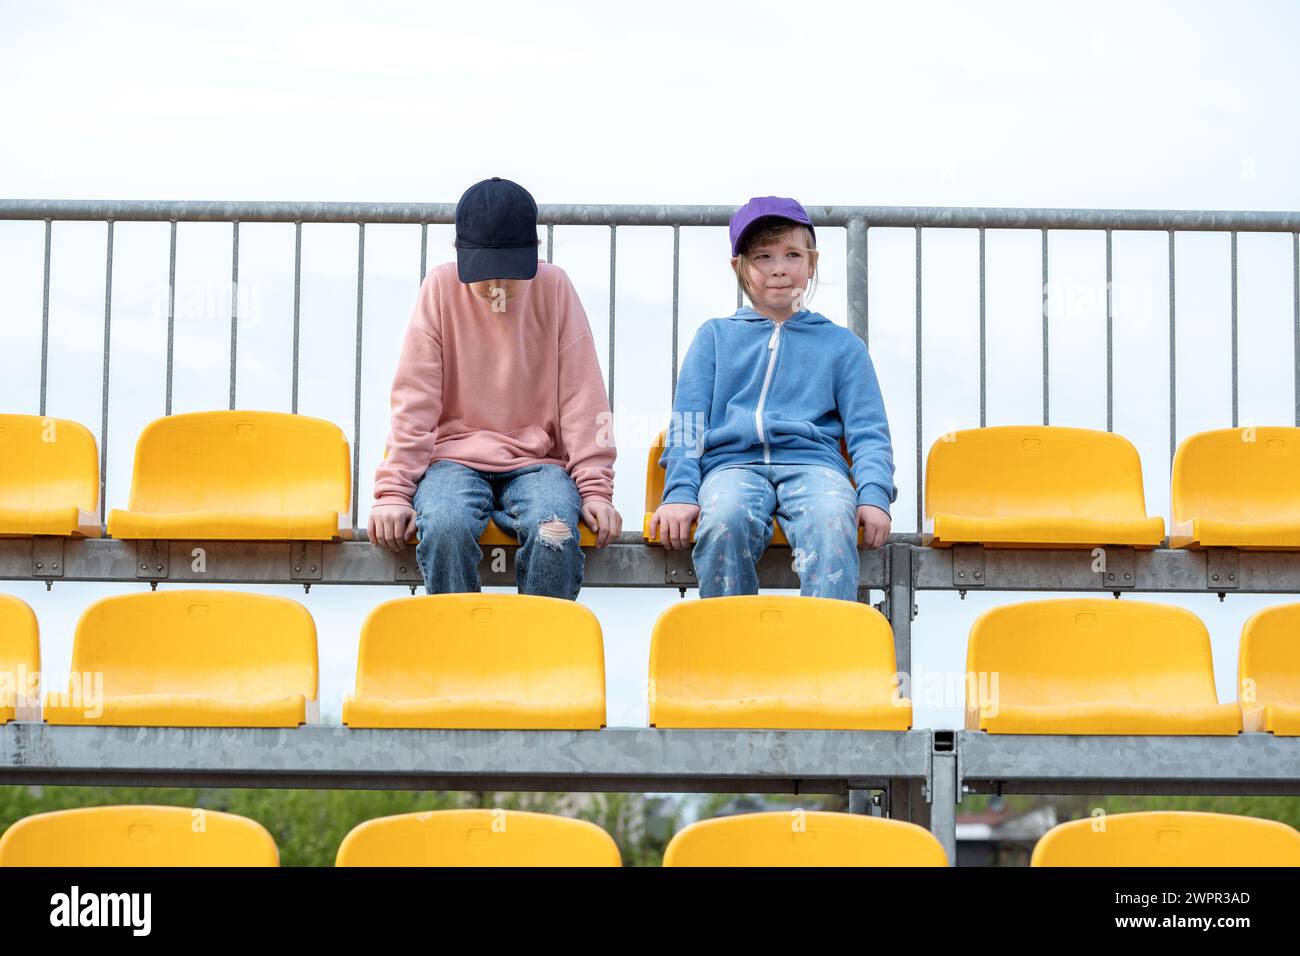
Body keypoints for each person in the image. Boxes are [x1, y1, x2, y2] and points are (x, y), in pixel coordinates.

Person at [368, 177, 622, 599]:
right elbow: (415, 399)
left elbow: (584, 396)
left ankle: (541, 658)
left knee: (554, 530)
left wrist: (596, 489)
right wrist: (393, 492)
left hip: (540, 462)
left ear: (533, 255)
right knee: (446, 526)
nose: (496, 286)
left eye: (509, 272)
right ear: (460, 254)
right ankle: (460, 654)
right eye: (484, 273)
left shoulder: (555, 287)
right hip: (453, 458)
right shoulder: (440, 288)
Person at [649, 196, 895, 601]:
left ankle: (826, 656)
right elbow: (688, 424)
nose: (779, 268)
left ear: (812, 263)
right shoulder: (714, 337)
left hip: (814, 468)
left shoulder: (843, 347)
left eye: (792, 254)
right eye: (763, 256)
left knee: (833, 519)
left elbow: (869, 432)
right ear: (740, 267)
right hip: (731, 467)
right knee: (724, 518)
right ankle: (735, 651)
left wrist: (874, 495)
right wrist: (679, 492)